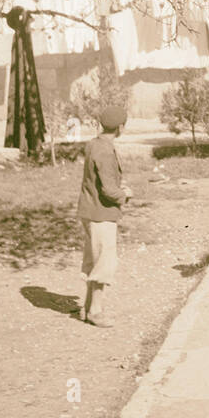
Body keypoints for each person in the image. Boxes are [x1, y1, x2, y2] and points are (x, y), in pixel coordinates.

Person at [77, 105, 132, 328]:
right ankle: (96, 312)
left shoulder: (94, 144)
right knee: (104, 261)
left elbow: (99, 181)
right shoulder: (106, 151)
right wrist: (125, 194)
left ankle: (87, 306)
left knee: (93, 258)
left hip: (89, 210)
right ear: (120, 128)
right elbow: (109, 190)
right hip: (102, 213)